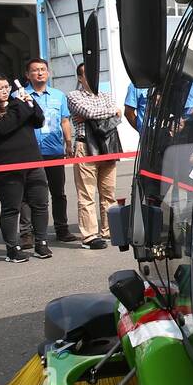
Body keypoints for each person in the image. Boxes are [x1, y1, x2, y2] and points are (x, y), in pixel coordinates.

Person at [0, 71, 52, 263]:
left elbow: (38, 120)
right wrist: (19, 104)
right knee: (11, 207)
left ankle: (41, 242)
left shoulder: (19, 106)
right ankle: (12, 248)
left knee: (40, 203)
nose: (5, 91)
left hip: (33, 161)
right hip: (5, 168)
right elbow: (3, 128)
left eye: (7, 87)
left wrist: (29, 103)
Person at [19, 59, 78, 246]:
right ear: (27, 75)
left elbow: (64, 121)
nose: (39, 73)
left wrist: (69, 143)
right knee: (28, 195)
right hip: (29, 152)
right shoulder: (18, 96)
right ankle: (28, 233)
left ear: (48, 73)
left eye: (43, 69)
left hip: (53, 150)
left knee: (58, 192)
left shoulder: (58, 96)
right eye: (35, 70)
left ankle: (62, 228)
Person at [67, 62, 121, 250]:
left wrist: (102, 114)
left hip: (108, 145)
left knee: (109, 192)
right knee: (87, 193)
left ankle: (109, 229)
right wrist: (108, 113)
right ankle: (89, 236)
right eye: (87, 75)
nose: (92, 78)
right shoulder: (73, 96)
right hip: (85, 146)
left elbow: (117, 114)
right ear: (80, 78)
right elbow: (89, 111)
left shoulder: (106, 95)